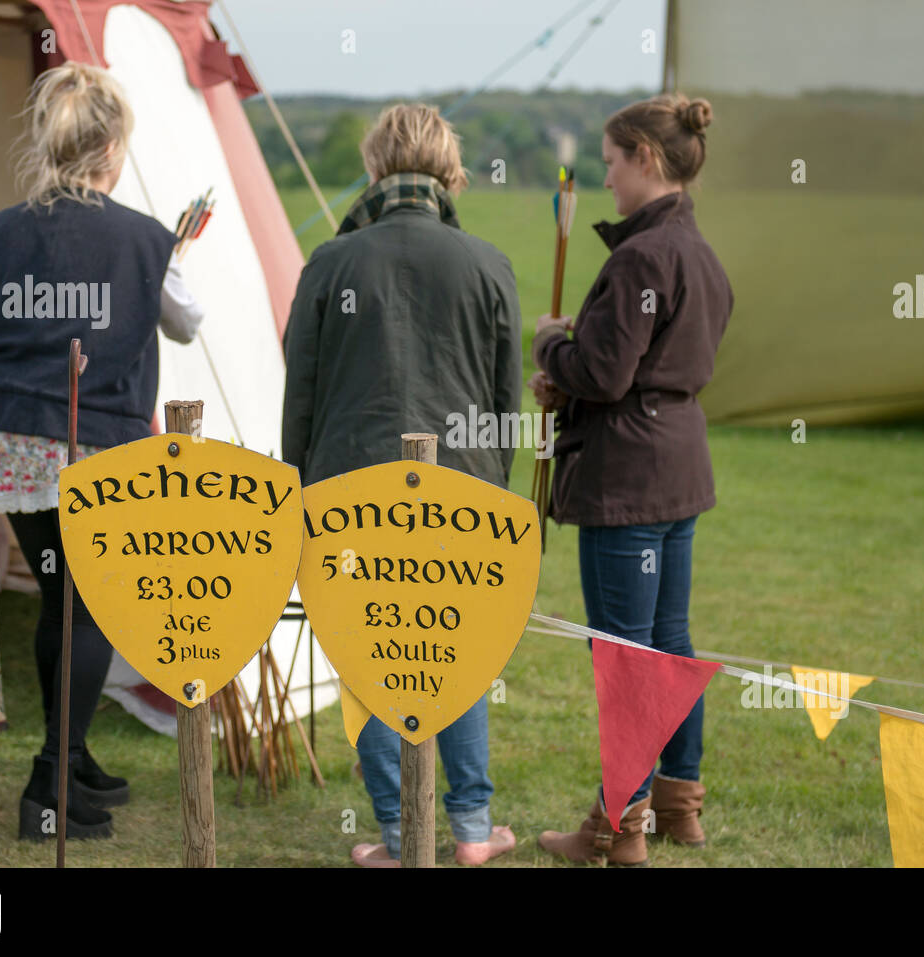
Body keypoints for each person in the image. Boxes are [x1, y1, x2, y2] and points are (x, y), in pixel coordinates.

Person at [0, 63, 204, 841]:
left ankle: (74, 755)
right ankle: (51, 784)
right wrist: (165, 260)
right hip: (96, 447)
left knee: (62, 599)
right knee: (91, 610)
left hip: (8, 445)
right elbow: (188, 322)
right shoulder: (143, 240)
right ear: (113, 147)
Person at [282, 103, 523, 867]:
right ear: (449, 169)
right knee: (463, 651)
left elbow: (303, 397)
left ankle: (397, 833)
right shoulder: (487, 261)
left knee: (369, 649)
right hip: (466, 489)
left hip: (347, 490)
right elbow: (504, 400)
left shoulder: (329, 261)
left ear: (376, 164)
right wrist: (494, 489)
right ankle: (471, 829)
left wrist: (298, 495)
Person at [531, 94, 734, 865]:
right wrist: (577, 377)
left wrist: (554, 350)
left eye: (613, 164)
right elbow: (645, 367)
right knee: (666, 643)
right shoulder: (698, 249)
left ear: (645, 158)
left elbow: (606, 373)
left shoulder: (644, 256)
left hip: (631, 478)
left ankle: (619, 827)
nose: (607, 179)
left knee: (626, 656)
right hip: (676, 464)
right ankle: (681, 803)